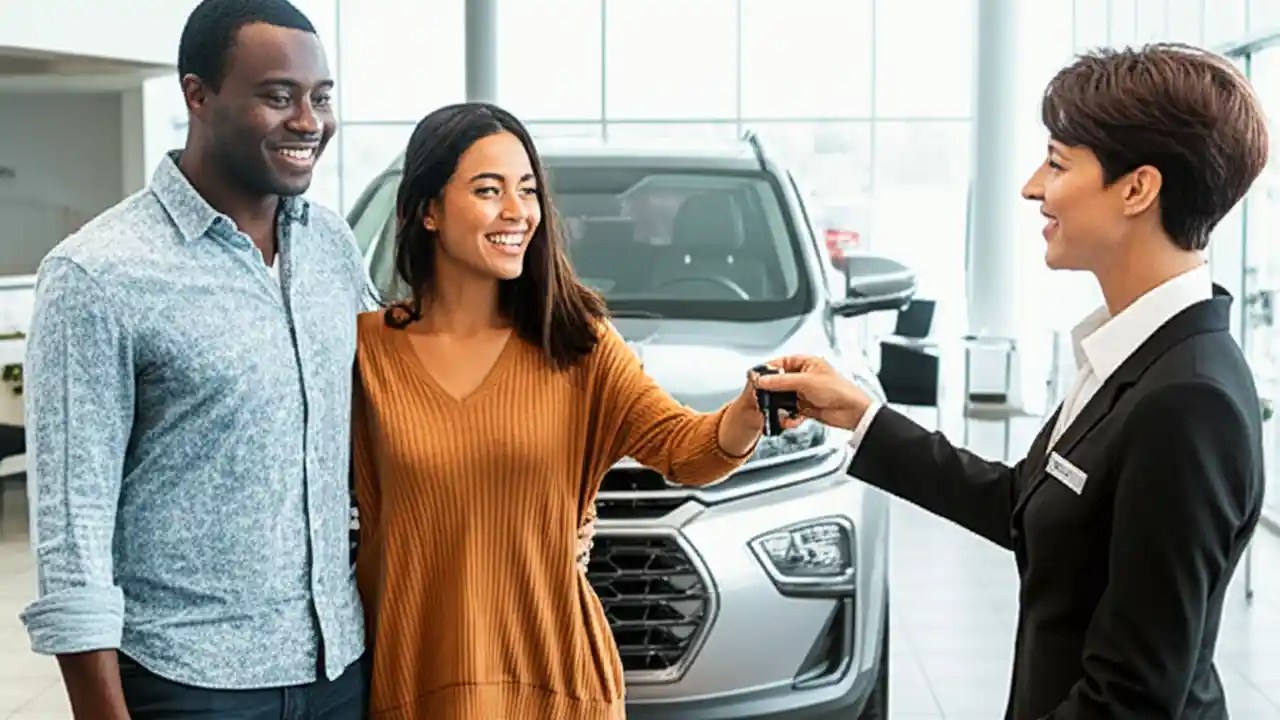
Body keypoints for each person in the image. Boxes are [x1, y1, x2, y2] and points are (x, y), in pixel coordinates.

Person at [755, 43, 1268, 719]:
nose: (1032, 187)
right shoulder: (1132, 356)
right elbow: (1024, 504)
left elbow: (1131, 698)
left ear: (1138, 189)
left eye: (1056, 164)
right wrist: (860, 414)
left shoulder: (1187, 402)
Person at [19, 1, 375, 717]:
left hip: (340, 670)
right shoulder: (97, 274)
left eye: (320, 97)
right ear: (198, 94)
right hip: (187, 685)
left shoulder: (331, 247)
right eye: (278, 96)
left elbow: (401, 411)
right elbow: (72, 526)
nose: (308, 121)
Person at [351, 102, 763, 719]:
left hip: (555, 685)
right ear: (427, 210)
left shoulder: (579, 345)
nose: (518, 212)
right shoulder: (365, 352)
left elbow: (689, 449)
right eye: (488, 191)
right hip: (415, 686)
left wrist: (753, 408)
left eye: (528, 190)